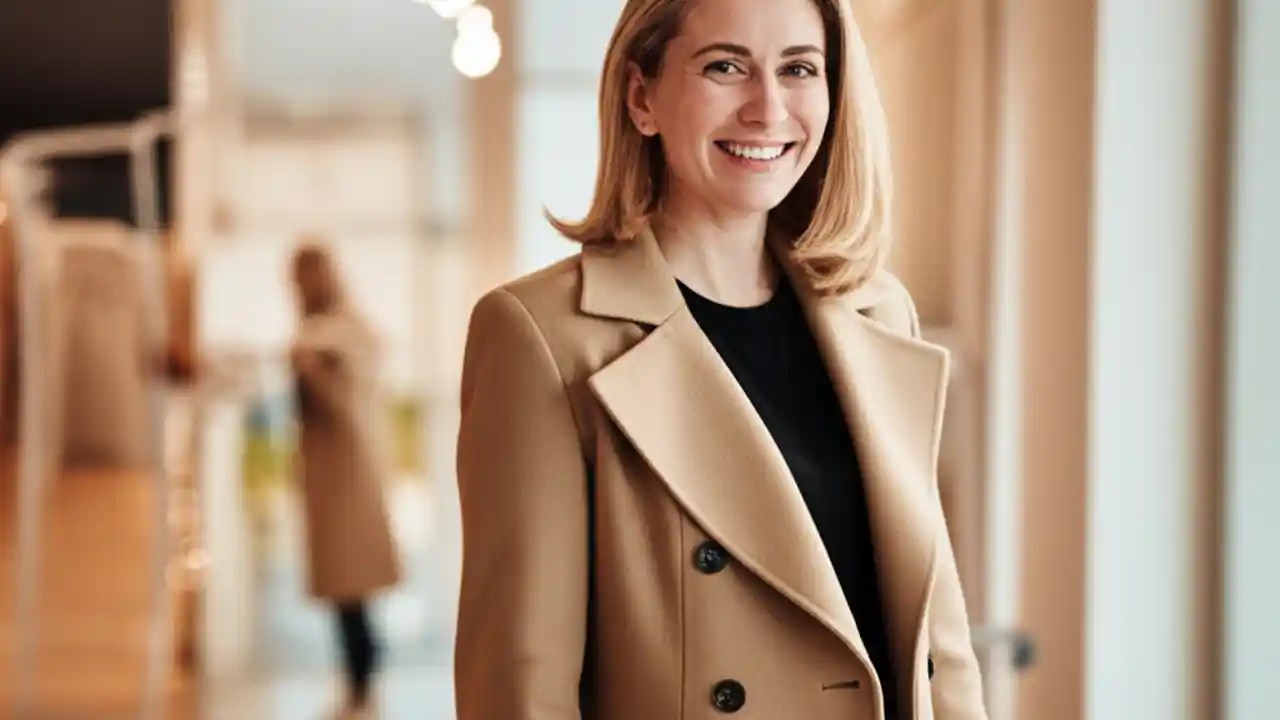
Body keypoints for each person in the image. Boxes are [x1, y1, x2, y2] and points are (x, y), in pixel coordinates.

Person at [454, 0, 988, 717]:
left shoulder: (877, 313)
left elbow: (938, 648)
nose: (768, 109)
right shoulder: (542, 337)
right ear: (642, 97)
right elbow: (521, 687)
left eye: (799, 68)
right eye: (725, 67)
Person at [289, 243, 401, 719]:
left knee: (353, 590)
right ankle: (357, 682)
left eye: (304, 275)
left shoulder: (339, 332)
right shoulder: (322, 330)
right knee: (344, 591)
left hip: (349, 475)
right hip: (332, 476)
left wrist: (312, 368)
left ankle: (362, 683)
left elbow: (348, 398)